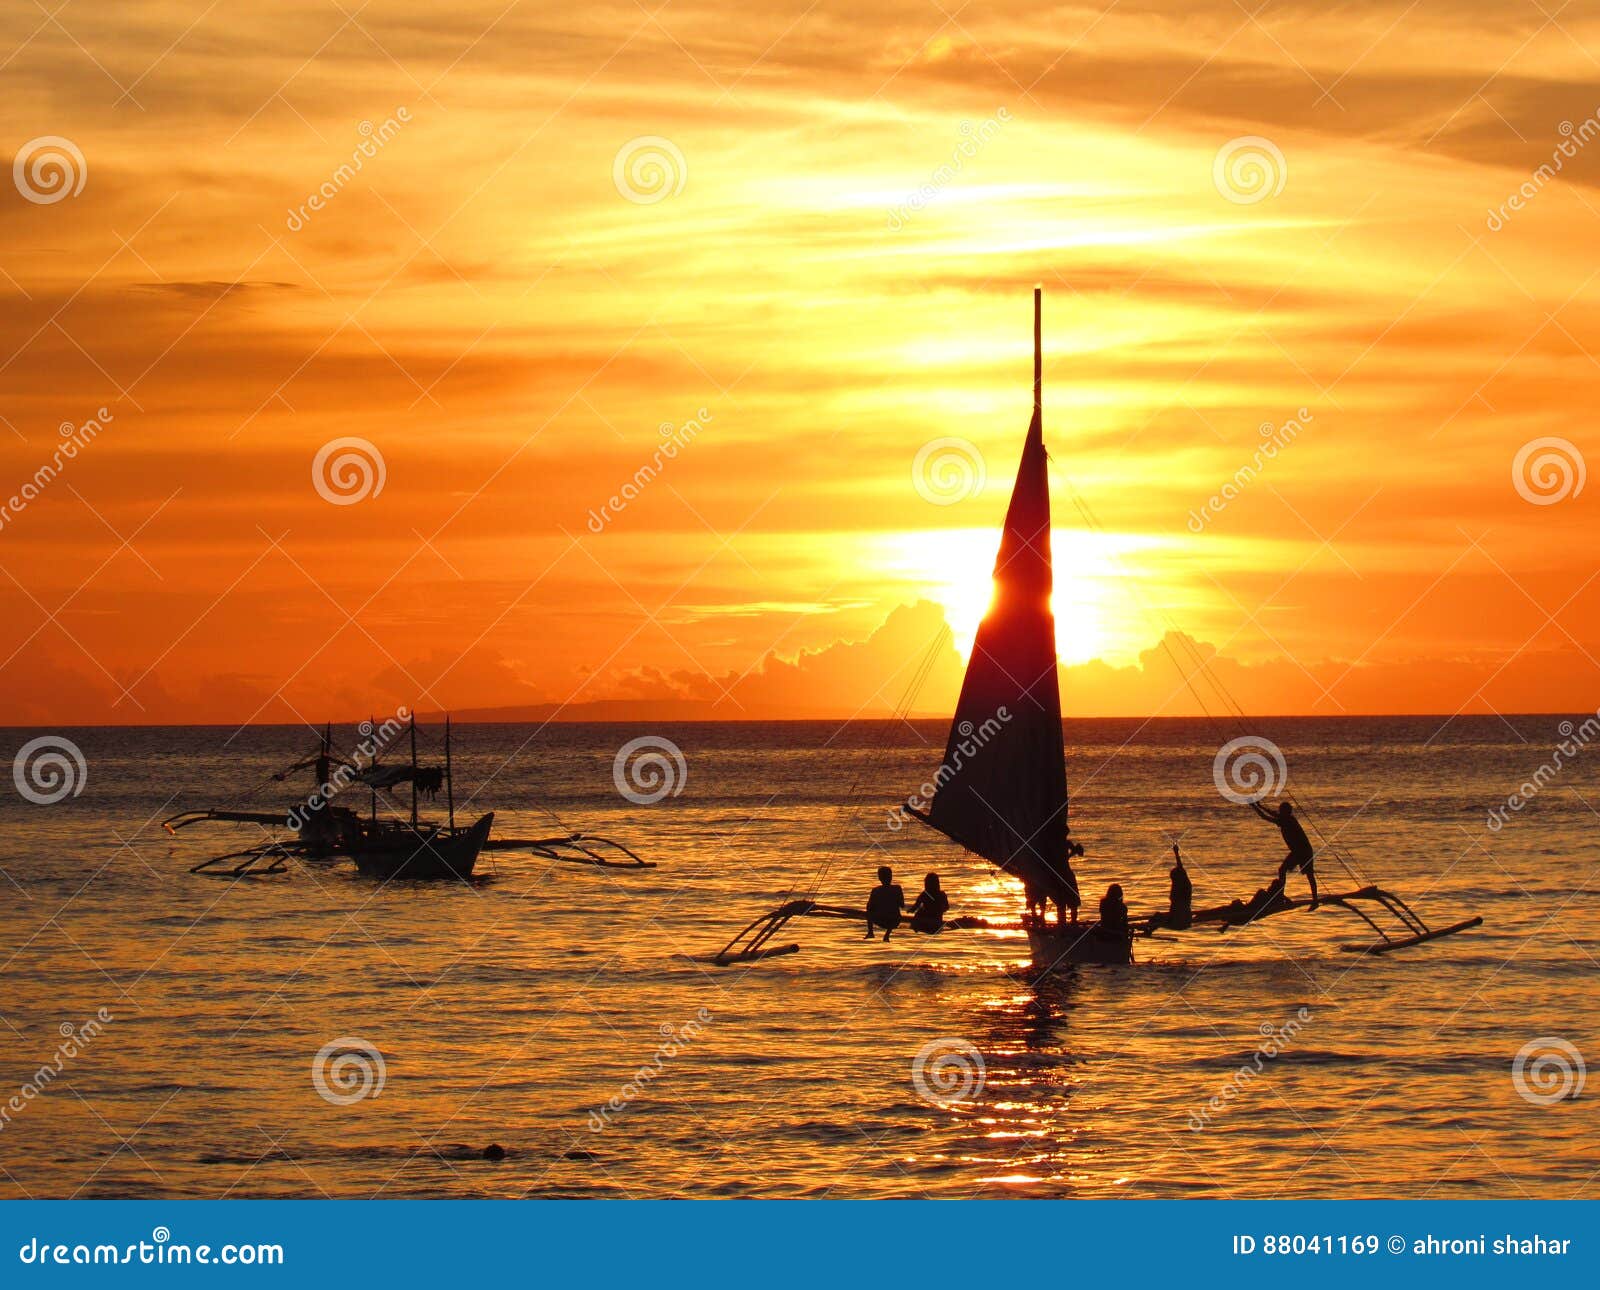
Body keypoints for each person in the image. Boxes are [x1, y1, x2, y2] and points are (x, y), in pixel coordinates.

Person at [1251, 798, 1317, 906]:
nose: (1279, 812)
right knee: (1284, 870)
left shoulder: (1286, 820)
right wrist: (1260, 806)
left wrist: (1254, 807)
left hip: (1303, 851)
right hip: (1300, 850)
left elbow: (1265, 817)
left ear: (1285, 812)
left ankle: (1284, 896)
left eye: (1281, 810)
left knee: (1306, 874)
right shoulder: (1287, 818)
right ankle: (1282, 896)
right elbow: (1273, 813)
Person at [865, 865, 904, 940]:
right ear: (891, 877)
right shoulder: (897, 888)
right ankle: (887, 934)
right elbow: (902, 905)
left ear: (879, 878)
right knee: (893, 914)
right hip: (894, 921)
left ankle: (870, 932)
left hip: (880, 920)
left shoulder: (875, 890)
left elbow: (869, 907)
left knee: (869, 912)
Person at [1055, 832, 1084, 927]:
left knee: (1066, 901)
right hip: (1063, 873)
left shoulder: (1064, 843)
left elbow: (1080, 853)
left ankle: (1068, 923)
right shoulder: (1063, 843)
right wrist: (1071, 854)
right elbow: (1079, 852)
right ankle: (1069, 923)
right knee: (1066, 901)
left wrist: (1072, 853)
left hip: (1061, 873)